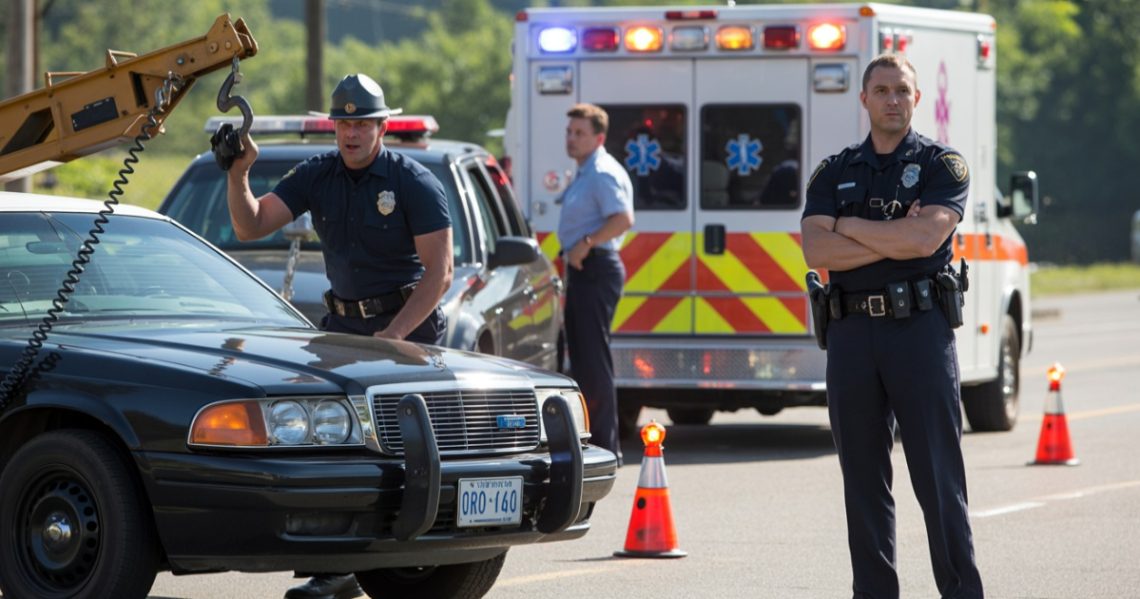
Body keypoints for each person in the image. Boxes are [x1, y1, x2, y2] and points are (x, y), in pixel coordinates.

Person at [223, 73, 453, 599]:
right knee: (337, 447)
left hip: (408, 328)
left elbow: (439, 273)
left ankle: (423, 556)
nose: (351, 133)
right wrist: (239, 173)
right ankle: (339, 565)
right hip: (343, 330)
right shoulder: (317, 174)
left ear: (382, 127)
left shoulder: (413, 182)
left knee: (408, 451)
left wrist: (392, 336)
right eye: (343, 123)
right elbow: (250, 226)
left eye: (362, 124)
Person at [800, 54, 984, 599]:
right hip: (851, 335)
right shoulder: (833, 171)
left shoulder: (940, 165)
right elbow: (816, 250)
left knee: (938, 479)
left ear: (916, 98)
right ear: (864, 99)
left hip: (919, 332)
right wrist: (892, 234)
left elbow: (924, 240)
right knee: (862, 482)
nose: (892, 100)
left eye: (902, 90)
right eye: (881, 90)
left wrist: (848, 227)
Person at [559, 103, 634, 463]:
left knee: (593, 362)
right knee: (583, 361)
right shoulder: (586, 171)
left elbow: (622, 219)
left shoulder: (602, 172)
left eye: (580, 133)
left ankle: (605, 447)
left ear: (599, 138)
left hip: (596, 268)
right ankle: (593, 441)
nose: (571, 139)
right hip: (584, 269)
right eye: (569, 132)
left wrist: (586, 244)